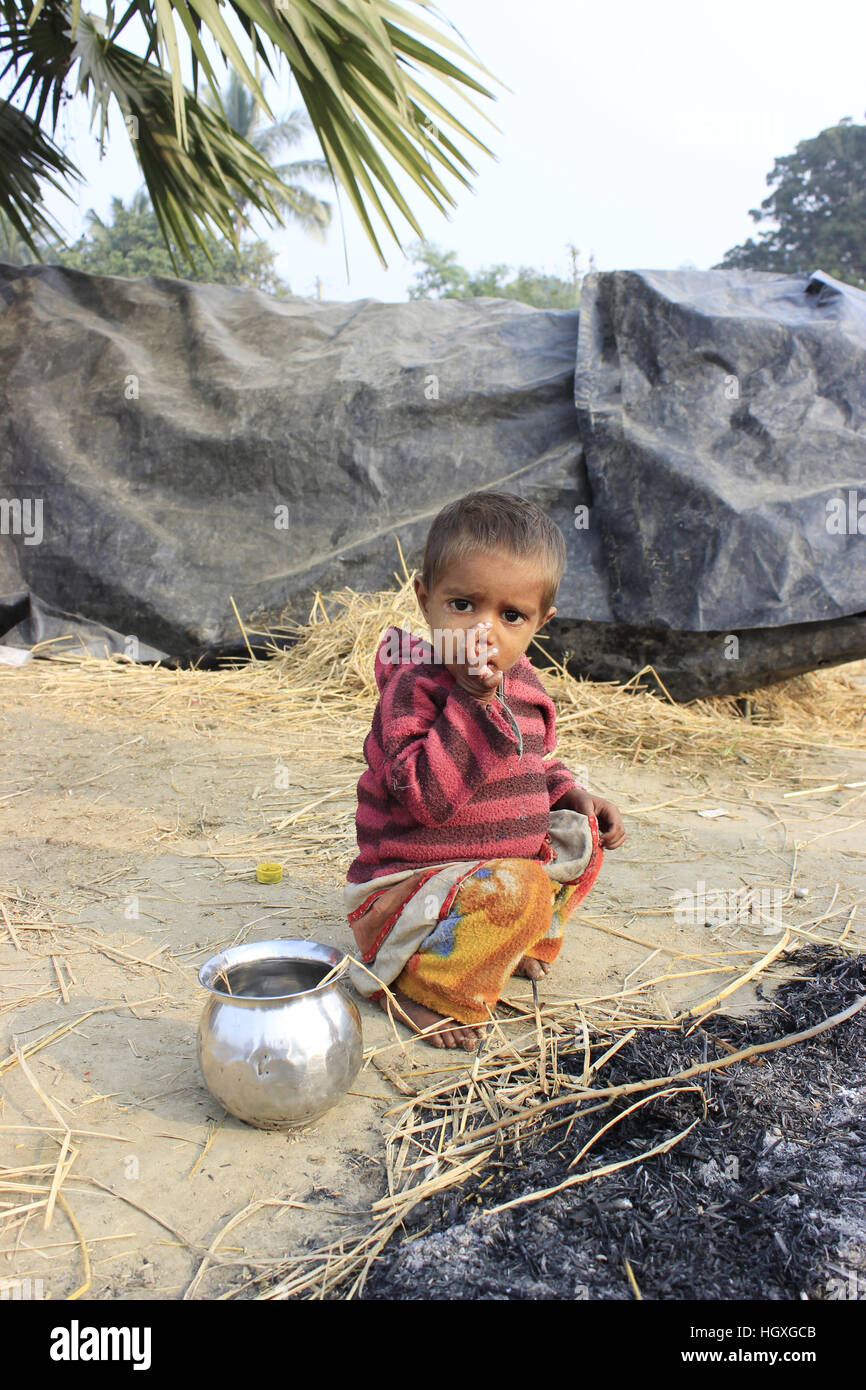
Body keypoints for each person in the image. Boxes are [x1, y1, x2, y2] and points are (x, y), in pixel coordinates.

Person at [343, 490, 625, 1051]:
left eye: (511, 615)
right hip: (410, 893)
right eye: (464, 605)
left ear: (540, 623)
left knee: (578, 836)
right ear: (426, 601)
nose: (484, 632)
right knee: (519, 885)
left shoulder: (523, 684)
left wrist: (570, 792)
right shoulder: (413, 690)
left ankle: (513, 943)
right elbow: (425, 798)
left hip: (490, 876)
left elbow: (529, 764)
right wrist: (470, 705)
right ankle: (419, 984)